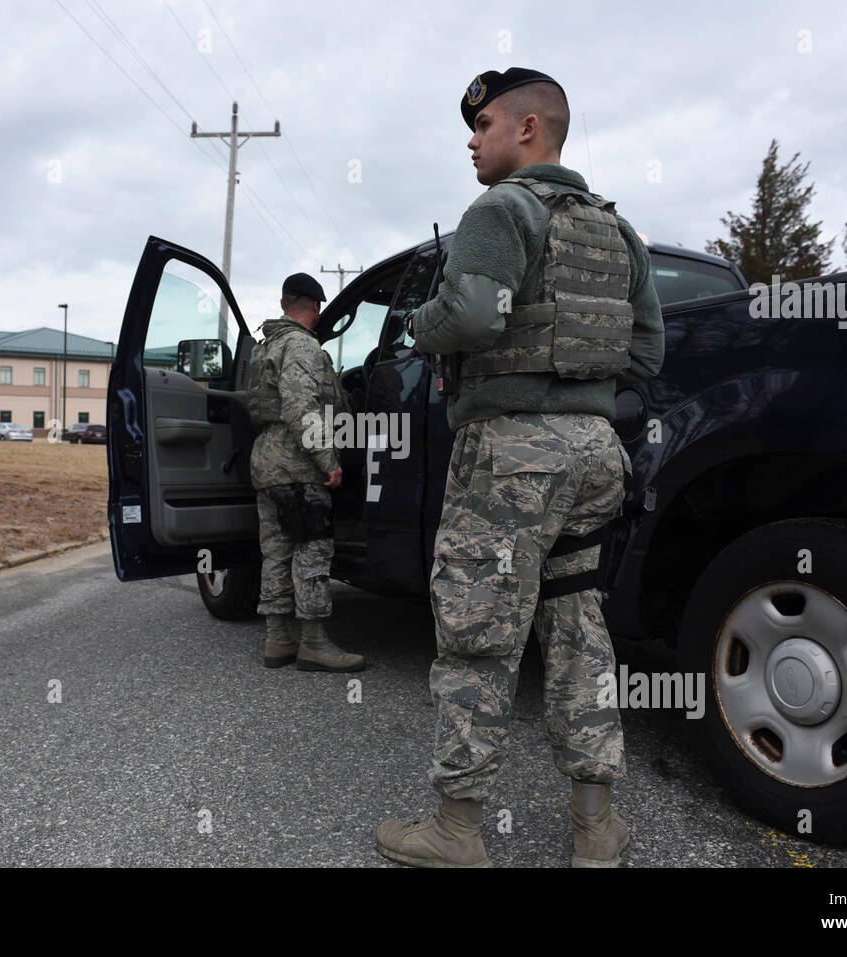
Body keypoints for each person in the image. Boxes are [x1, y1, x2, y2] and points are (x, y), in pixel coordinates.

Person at [376, 68, 664, 867]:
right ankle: (597, 829)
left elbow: (469, 314)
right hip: (596, 455)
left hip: (512, 457)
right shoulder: (618, 230)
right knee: (578, 627)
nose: (471, 141)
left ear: (529, 129)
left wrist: (420, 325)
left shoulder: (502, 208)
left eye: (483, 125)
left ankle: (457, 831)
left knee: (477, 635)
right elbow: (647, 350)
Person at [247, 273, 366, 673]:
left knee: (276, 553)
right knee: (312, 551)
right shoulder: (301, 345)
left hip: (266, 462)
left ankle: (278, 641)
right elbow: (301, 408)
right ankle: (313, 643)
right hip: (298, 465)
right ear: (315, 309)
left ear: (284, 304)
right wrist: (328, 460)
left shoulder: (265, 348)